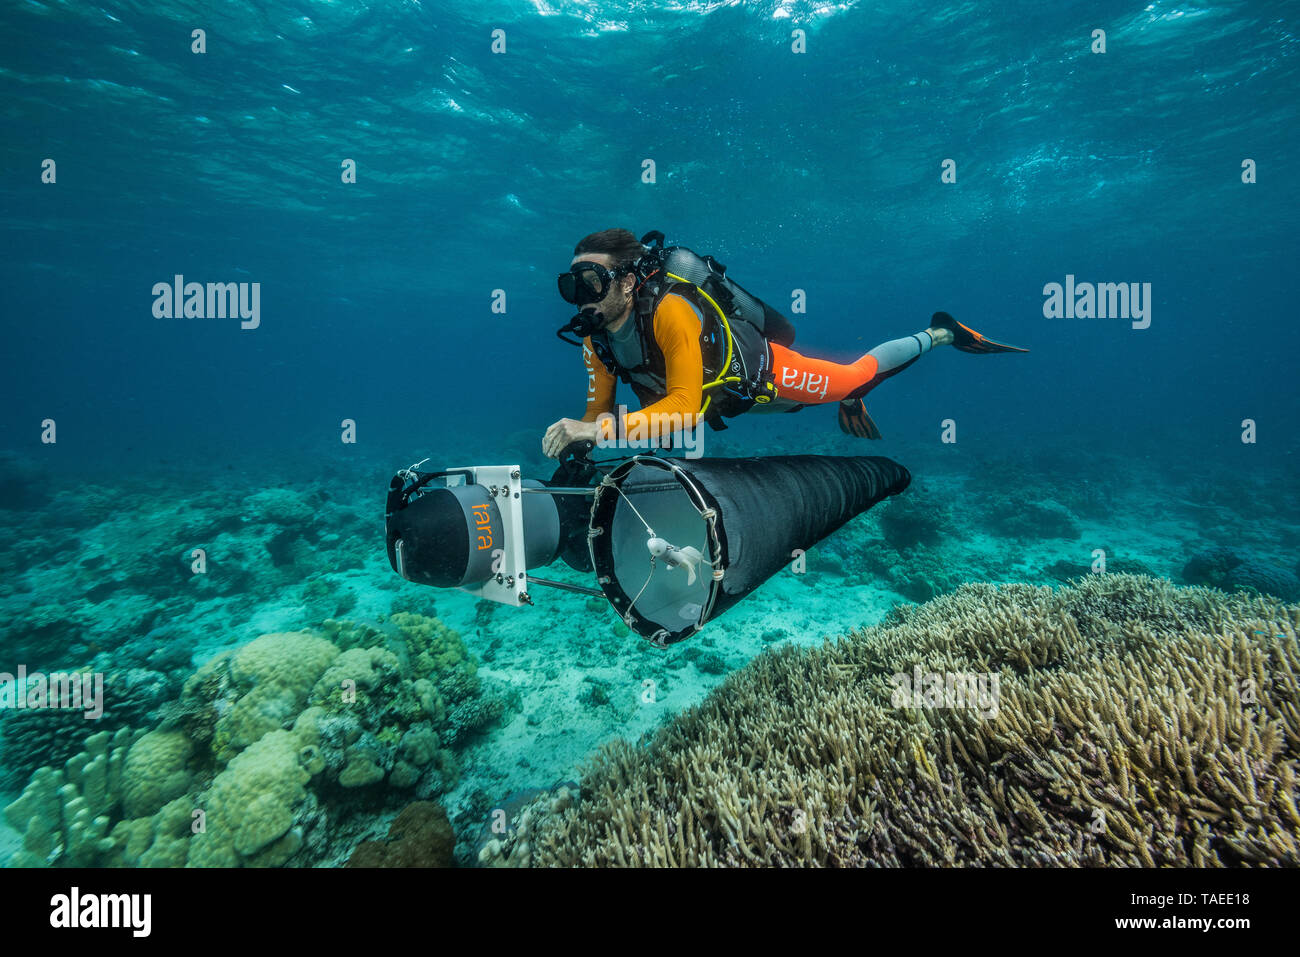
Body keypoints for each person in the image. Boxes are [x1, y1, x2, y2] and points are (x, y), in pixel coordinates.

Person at [542, 228, 1026, 458]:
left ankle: (942, 332)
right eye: (572, 286)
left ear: (628, 283)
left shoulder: (670, 310)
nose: (580, 298)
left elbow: (686, 409)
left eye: (591, 281)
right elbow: (596, 419)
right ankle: (852, 397)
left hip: (763, 375)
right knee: (800, 409)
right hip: (730, 402)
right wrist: (576, 451)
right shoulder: (596, 342)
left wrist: (594, 433)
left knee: (853, 378)